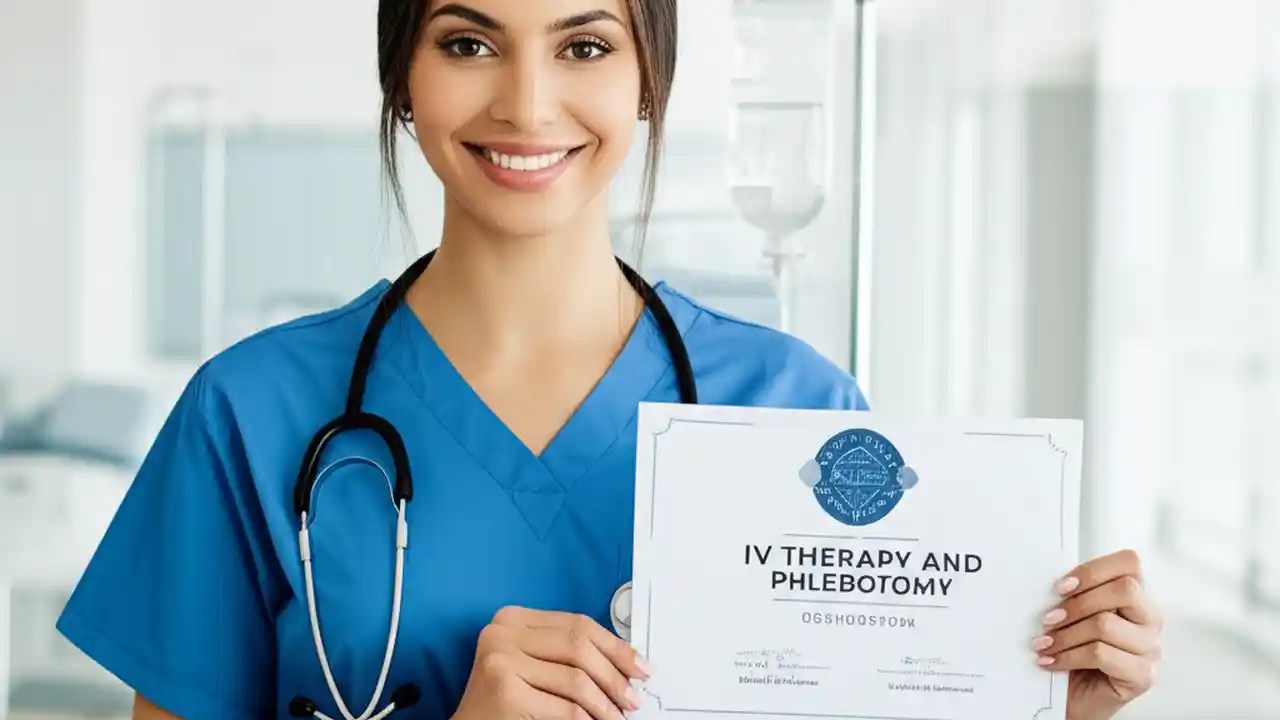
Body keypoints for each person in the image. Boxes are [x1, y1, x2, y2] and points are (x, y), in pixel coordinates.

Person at [55, 2, 1163, 719]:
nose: (525, 103)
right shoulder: (251, 412)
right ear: (401, 76)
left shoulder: (796, 410)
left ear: (648, 82)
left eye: (583, 45)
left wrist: (1027, 697)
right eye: (467, 41)